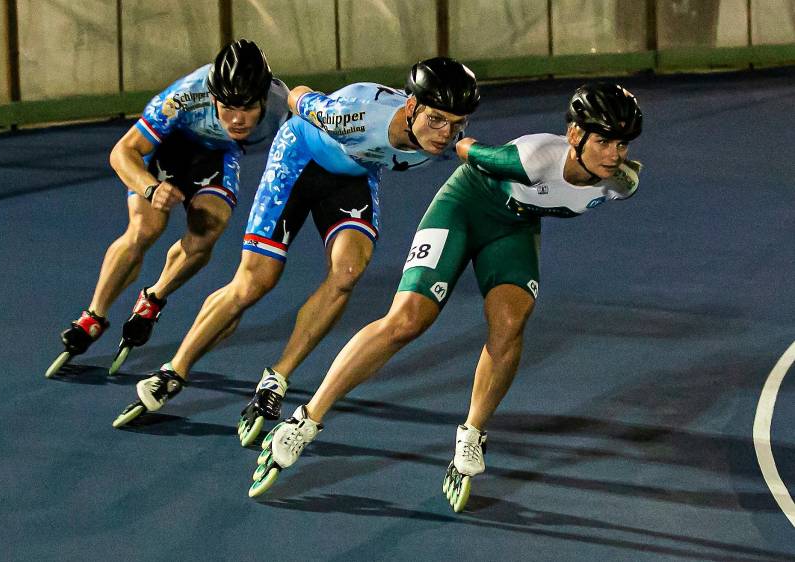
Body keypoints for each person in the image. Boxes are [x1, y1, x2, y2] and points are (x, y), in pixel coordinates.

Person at [248, 83, 644, 512]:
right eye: (603, 141)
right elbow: (467, 149)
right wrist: (447, 134)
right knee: (407, 320)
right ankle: (305, 421)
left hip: (513, 226)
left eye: (621, 144)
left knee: (510, 325)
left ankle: (472, 435)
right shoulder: (531, 160)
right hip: (465, 203)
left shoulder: (621, 183)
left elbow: (616, 176)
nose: (613, 155)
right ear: (573, 136)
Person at [111, 57, 481, 431]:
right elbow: (298, 98)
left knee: (348, 272)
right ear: (411, 106)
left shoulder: (446, 137)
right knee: (256, 281)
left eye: (455, 125)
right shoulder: (354, 115)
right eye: (436, 120)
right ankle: (175, 369)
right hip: (298, 158)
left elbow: (476, 153)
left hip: (351, 175)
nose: (444, 134)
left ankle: (278, 377)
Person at [45, 40, 290, 378]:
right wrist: (150, 187)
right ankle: (94, 315)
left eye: (247, 108)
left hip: (217, 156)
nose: (237, 120)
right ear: (213, 97)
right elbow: (122, 152)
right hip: (168, 146)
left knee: (208, 230)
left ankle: (153, 298)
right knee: (145, 229)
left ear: (264, 98)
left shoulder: (282, 107)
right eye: (227, 108)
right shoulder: (183, 97)